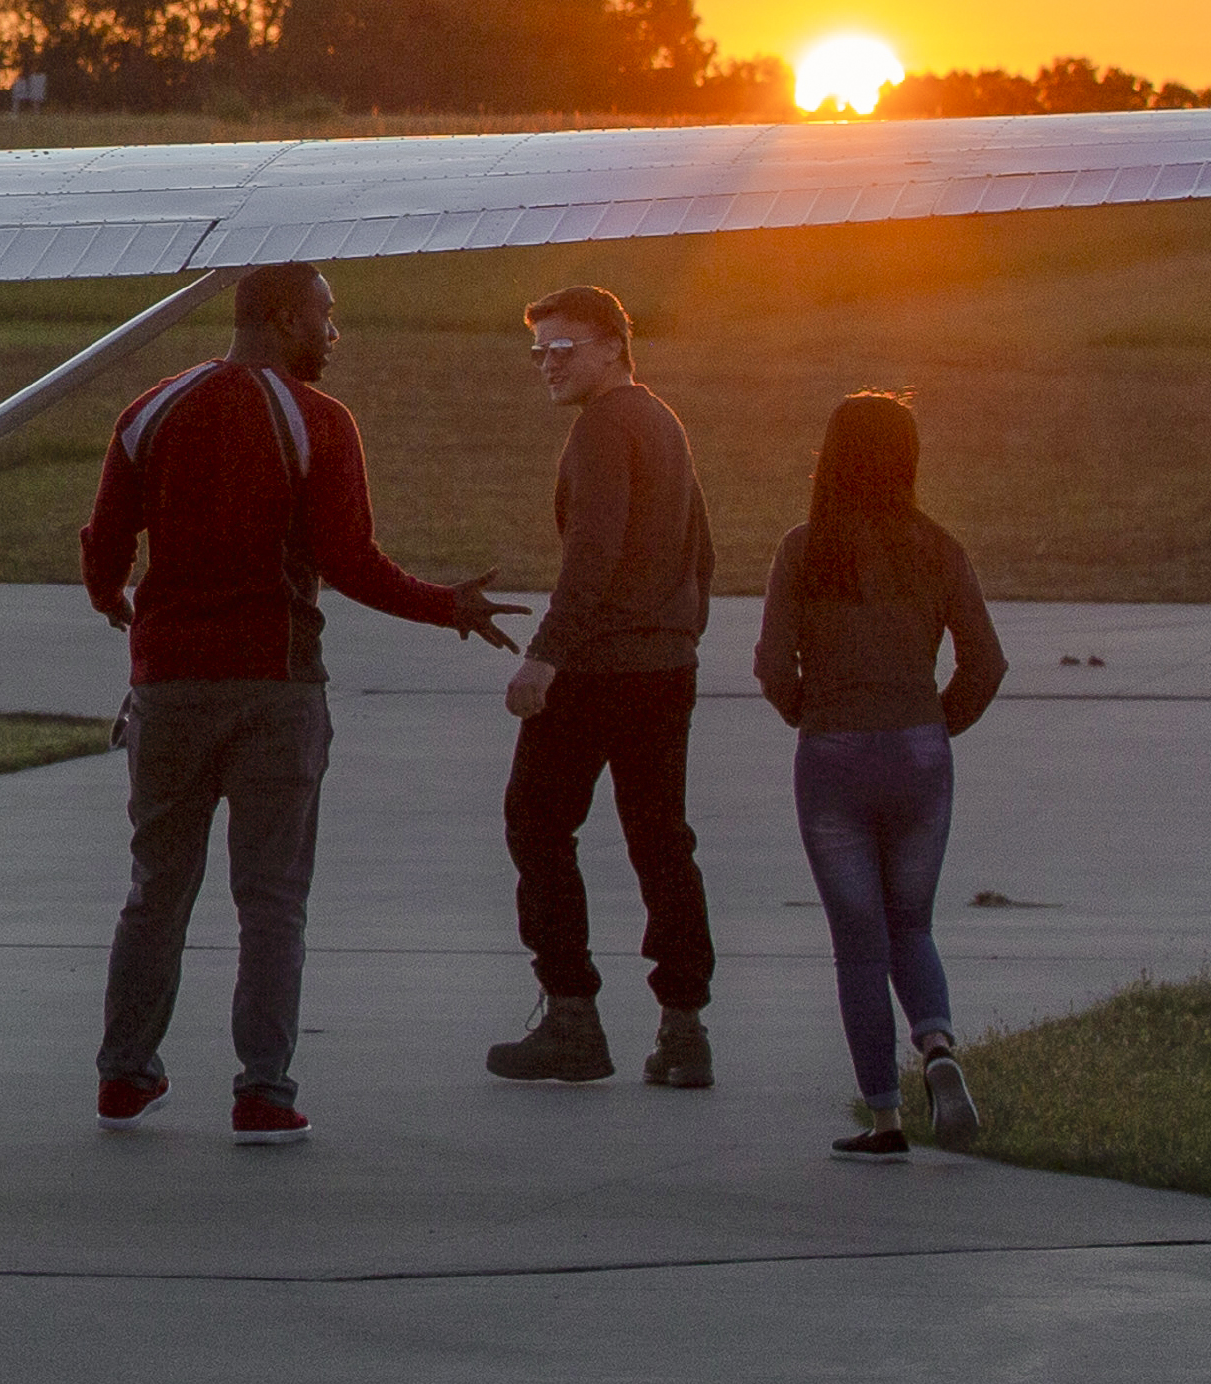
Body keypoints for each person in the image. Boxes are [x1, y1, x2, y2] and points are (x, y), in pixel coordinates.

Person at [79, 259, 518, 1147]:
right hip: (276, 690)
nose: (334, 333)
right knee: (271, 901)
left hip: (167, 691)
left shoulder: (150, 411)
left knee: (156, 888)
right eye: (325, 315)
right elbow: (351, 561)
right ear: (283, 319)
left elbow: (106, 536)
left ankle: (124, 1076)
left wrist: (109, 596)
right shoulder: (319, 422)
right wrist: (448, 606)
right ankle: (263, 1094)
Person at [755, 391, 1007, 1158]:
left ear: (830, 458)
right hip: (919, 752)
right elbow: (986, 661)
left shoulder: (805, 550)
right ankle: (938, 1046)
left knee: (859, 944)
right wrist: (935, 722)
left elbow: (772, 664)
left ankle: (886, 1119)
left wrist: (808, 711)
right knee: (912, 924)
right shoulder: (939, 548)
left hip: (832, 753)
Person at [491, 283, 720, 1088]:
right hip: (664, 670)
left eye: (563, 348)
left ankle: (572, 1016)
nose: (547, 364)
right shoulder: (662, 420)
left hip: (596, 670)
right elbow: (702, 551)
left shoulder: (602, 428)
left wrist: (543, 657)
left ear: (614, 347)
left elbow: (592, 553)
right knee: (661, 840)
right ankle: (684, 1028)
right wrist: (678, 632)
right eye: (538, 352)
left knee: (537, 825)